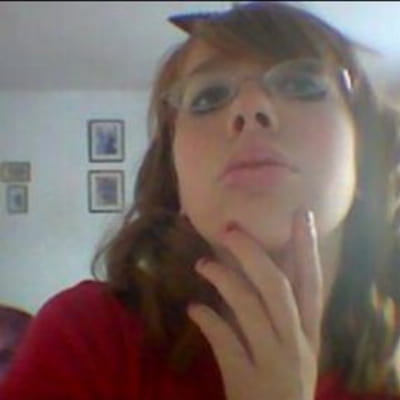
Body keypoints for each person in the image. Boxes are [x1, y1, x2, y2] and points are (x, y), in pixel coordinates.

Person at [1, 2, 400, 399]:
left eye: (300, 85)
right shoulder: (85, 336)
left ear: (365, 156)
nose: (250, 107)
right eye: (208, 97)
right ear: (176, 180)